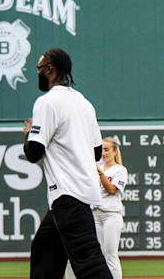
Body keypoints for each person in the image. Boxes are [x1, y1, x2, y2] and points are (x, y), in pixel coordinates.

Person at [24, 48, 111, 279]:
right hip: (77, 194)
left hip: (67, 194)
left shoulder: (48, 102)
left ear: (50, 69)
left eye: (39, 68)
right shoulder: (84, 103)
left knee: (90, 265)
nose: (38, 73)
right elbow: (96, 152)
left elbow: (33, 152)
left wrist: (28, 134)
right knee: (44, 253)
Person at [89, 138, 129, 279]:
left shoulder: (120, 170)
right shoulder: (95, 167)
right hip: (95, 214)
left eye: (107, 149)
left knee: (111, 254)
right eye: (102, 150)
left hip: (111, 215)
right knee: (98, 256)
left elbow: (111, 189)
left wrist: (100, 173)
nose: (104, 153)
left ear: (115, 151)